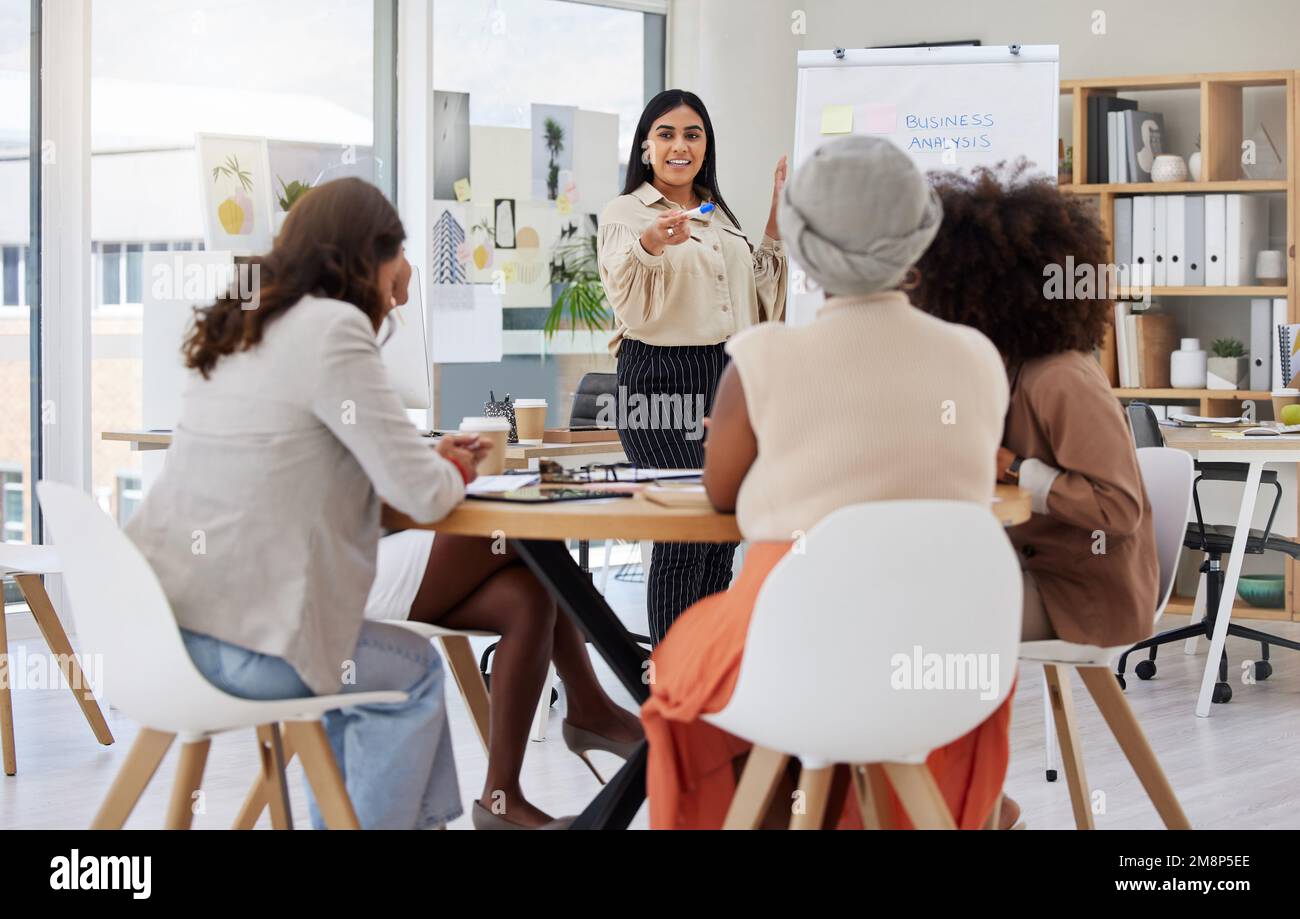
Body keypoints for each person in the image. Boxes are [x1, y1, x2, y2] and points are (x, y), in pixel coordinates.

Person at [640, 136, 1015, 829]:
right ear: (922, 234)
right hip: (949, 667)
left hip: (800, 658)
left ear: (803, 240)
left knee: (682, 654)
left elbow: (722, 494)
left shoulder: (764, 357)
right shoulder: (977, 358)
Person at [128, 177, 482, 830]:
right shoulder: (334, 327)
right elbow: (425, 495)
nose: (404, 272)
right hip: (247, 648)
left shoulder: (245, 323)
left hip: (159, 630)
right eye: (397, 255)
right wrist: (456, 462)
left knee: (366, 672)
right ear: (367, 255)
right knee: (414, 675)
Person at [911, 162, 1160, 828]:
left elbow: (1120, 506)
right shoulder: (1008, 369)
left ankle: (979, 803)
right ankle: (976, 801)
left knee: (928, 636)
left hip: (1084, 593)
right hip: (1035, 571)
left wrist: (1020, 470)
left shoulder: (1062, 379)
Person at [598, 88, 788, 643]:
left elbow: (755, 295)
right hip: (659, 382)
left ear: (706, 146)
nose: (680, 145)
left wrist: (775, 220)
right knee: (683, 532)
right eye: (666, 133)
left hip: (727, 378)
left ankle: (708, 678)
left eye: (692, 134)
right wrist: (650, 247)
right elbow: (629, 304)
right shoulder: (626, 214)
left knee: (723, 530)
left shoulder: (715, 212)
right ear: (645, 147)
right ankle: (672, 689)